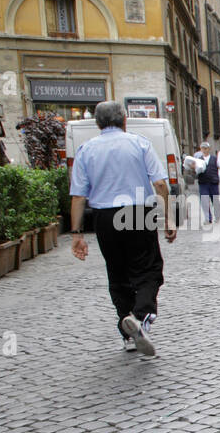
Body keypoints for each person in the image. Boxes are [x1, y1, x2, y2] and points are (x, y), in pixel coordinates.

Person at [68, 100, 176, 357]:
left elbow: (78, 197)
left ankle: (127, 333)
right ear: (124, 119)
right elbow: (160, 184)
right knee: (150, 270)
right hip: (138, 212)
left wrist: (76, 234)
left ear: (98, 123)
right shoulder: (139, 144)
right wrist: (167, 219)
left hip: (104, 217)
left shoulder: (85, 149)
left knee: (117, 275)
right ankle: (140, 317)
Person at [195, 140, 220, 225]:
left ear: (209, 149)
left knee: (215, 200)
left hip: (213, 182)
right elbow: (195, 171)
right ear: (201, 149)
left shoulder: (214, 159)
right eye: (203, 148)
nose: (204, 150)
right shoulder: (198, 160)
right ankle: (207, 218)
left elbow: (219, 168)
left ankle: (217, 216)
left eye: (206, 148)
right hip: (203, 183)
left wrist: (219, 178)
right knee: (205, 201)